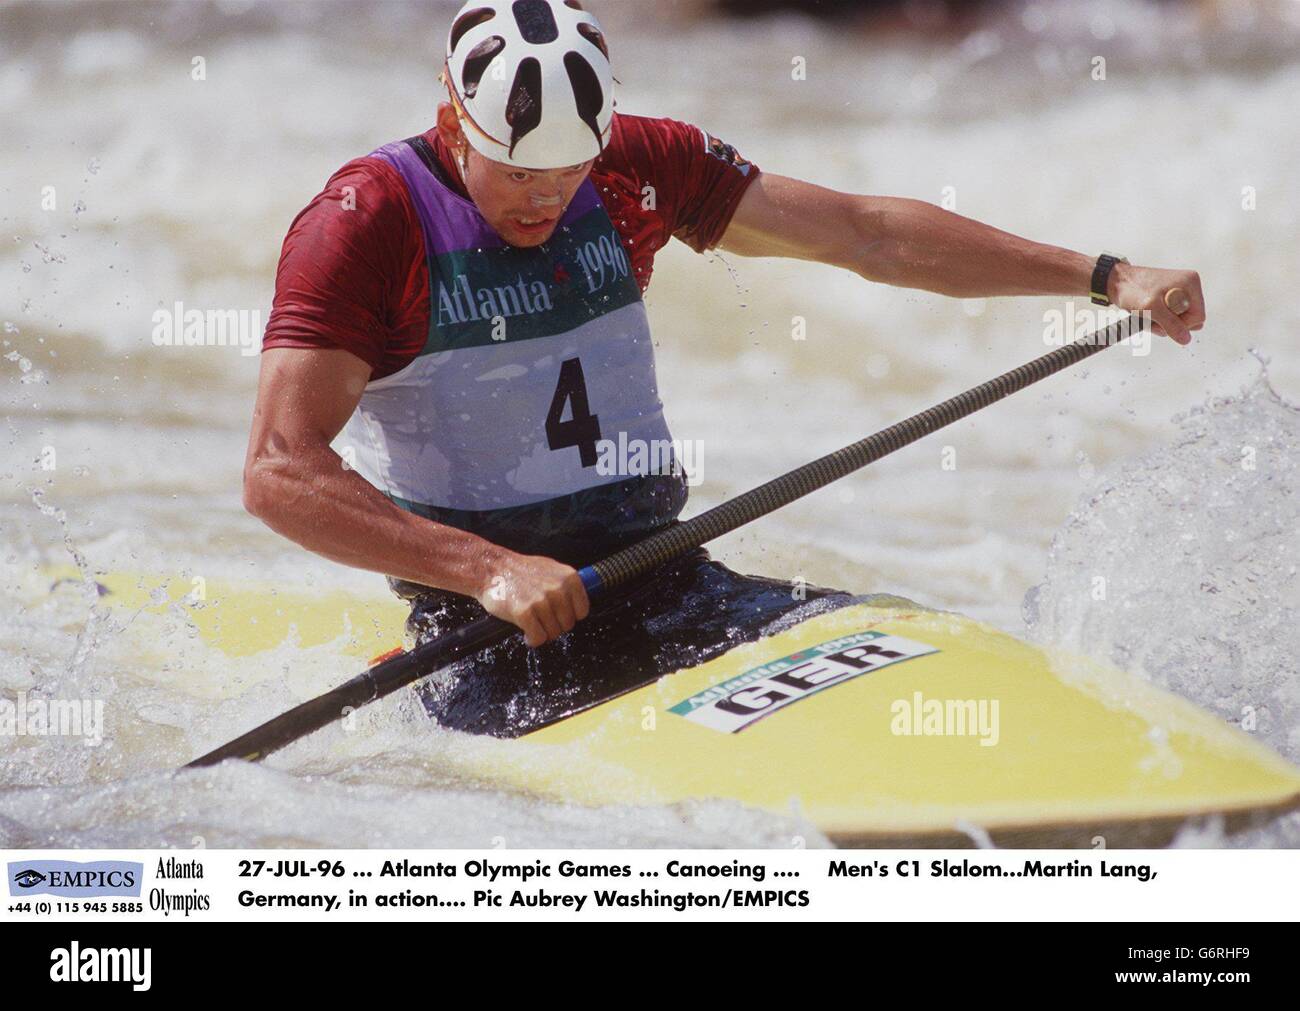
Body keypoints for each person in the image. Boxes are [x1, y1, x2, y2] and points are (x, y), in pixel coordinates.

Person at [246, 0, 1205, 735]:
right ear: (454, 122)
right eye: (518, 175)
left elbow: (865, 236)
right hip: (492, 642)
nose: (546, 198)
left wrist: (1105, 276)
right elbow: (281, 468)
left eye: (567, 171)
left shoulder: (635, 163)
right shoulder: (365, 225)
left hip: (669, 583)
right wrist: (486, 570)